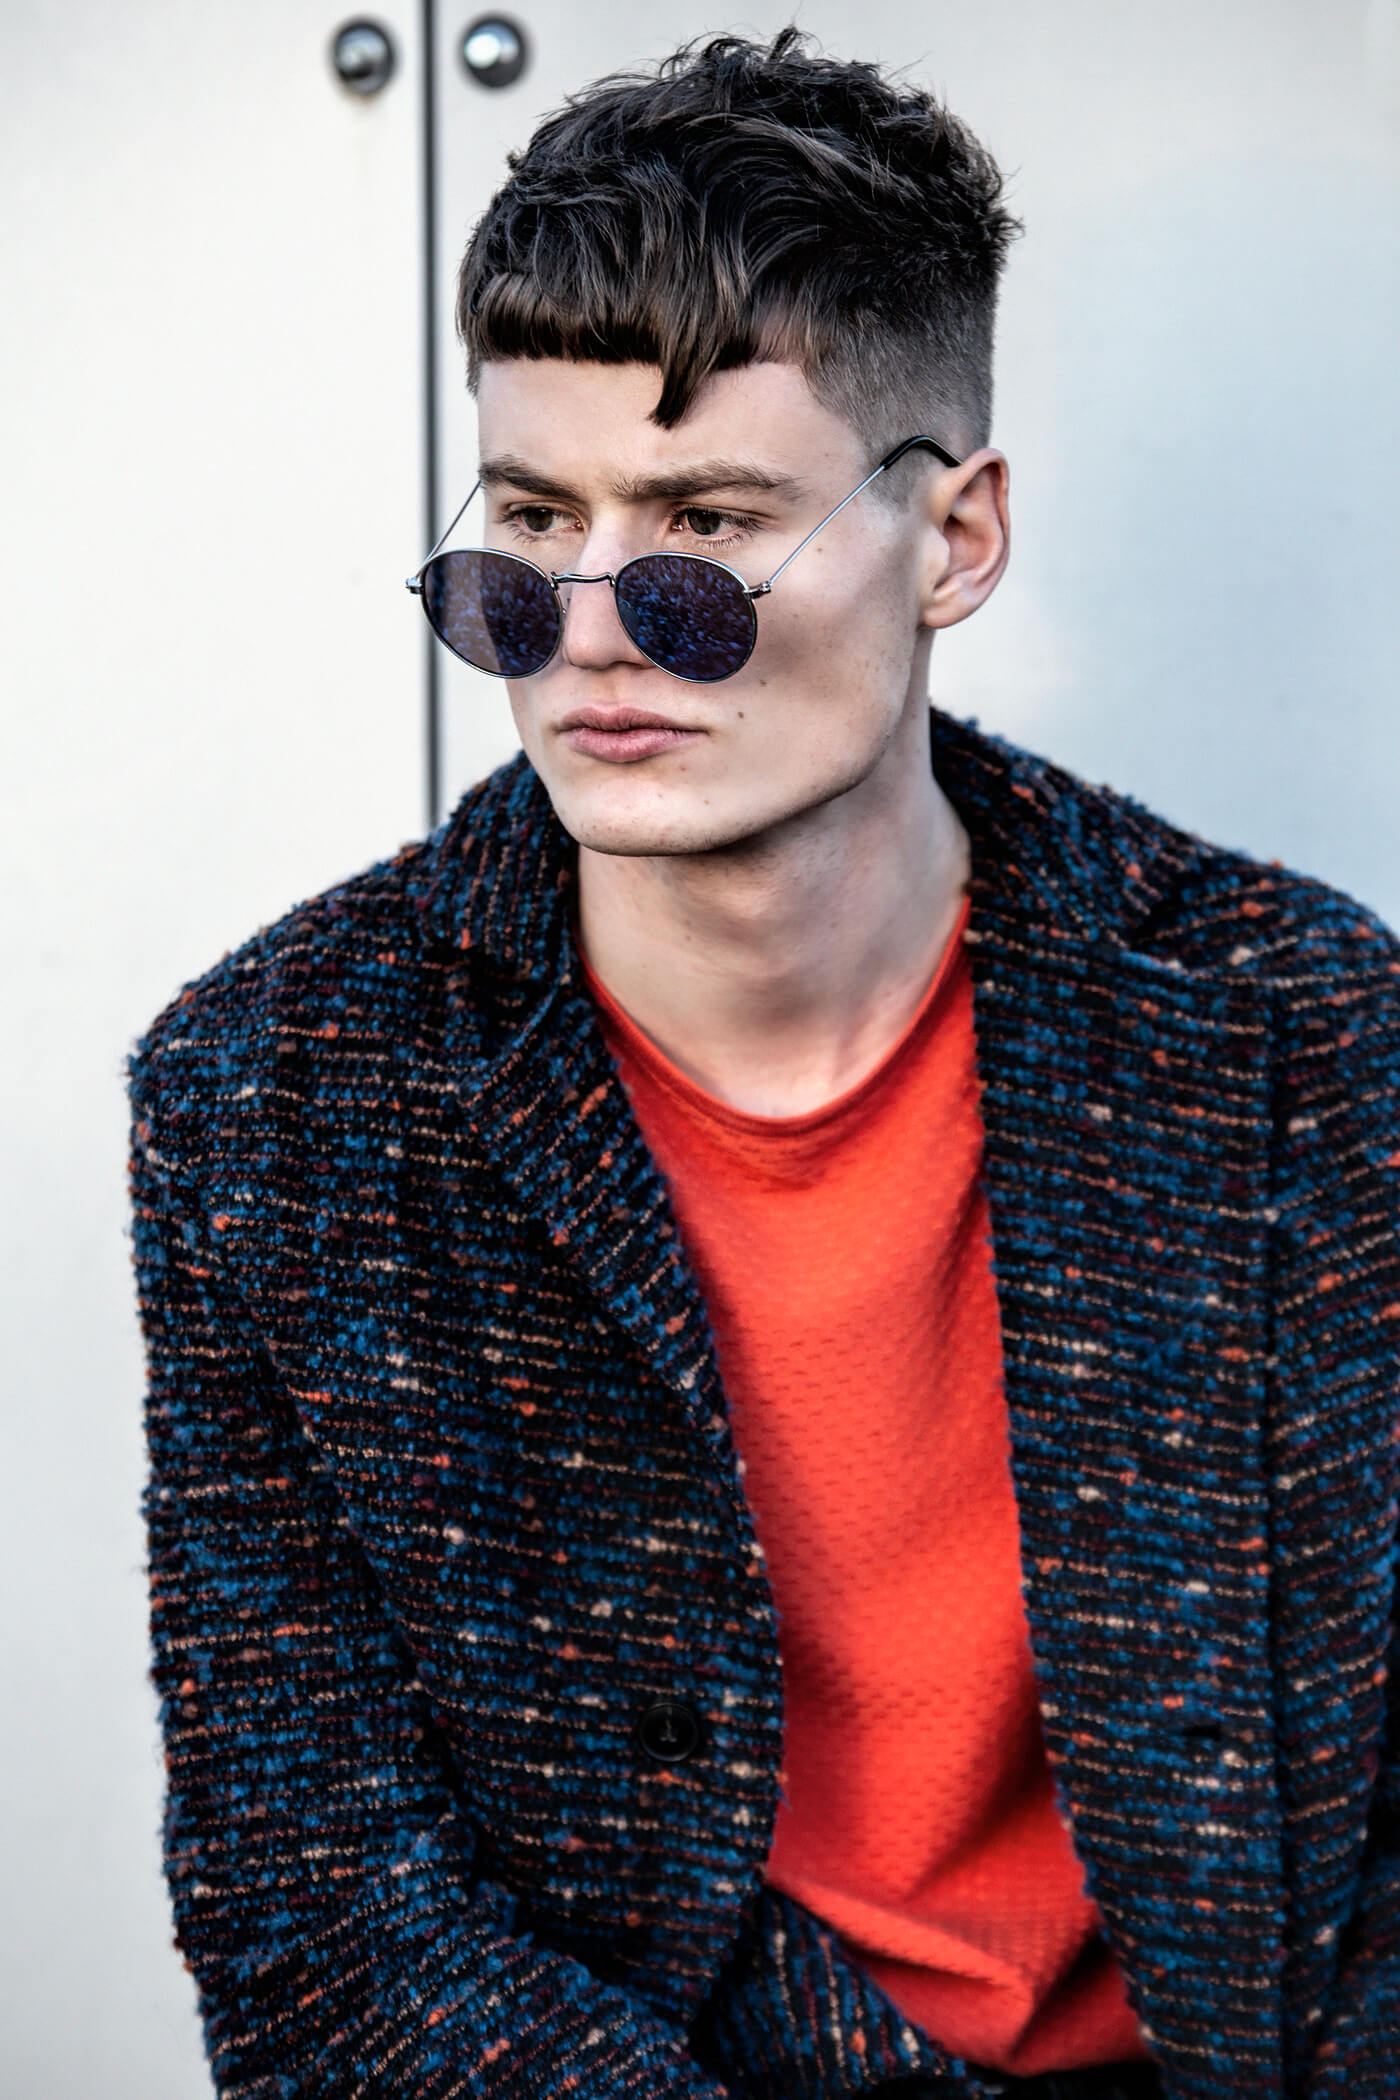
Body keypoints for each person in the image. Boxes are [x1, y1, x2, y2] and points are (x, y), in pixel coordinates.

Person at [125, 28, 1399, 2100]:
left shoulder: (1304, 1035)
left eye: (705, 527)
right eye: (531, 524)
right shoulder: (277, 1101)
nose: (589, 632)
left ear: (954, 539)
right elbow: (322, 1922)